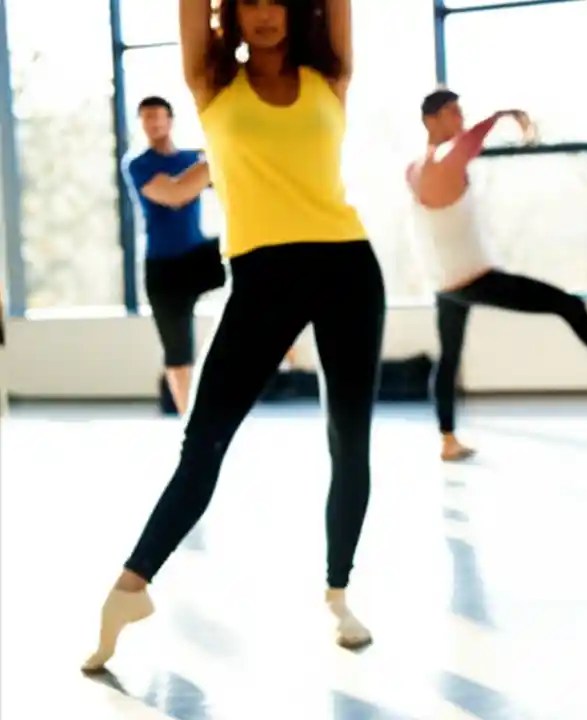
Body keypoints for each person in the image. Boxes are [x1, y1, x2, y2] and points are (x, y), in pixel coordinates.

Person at [83, 0, 385, 673]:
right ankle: (130, 587)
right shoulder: (209, 84)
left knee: (349, 440)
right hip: (260, 276)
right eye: (250, 0)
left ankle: (338, 594)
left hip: (346, 268)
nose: (267, 13)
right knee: (204, 443)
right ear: (230, 13)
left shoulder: (330, 77)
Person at [407, 89, 587, 462]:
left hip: (447, 285)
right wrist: (504, 112)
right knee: (568, 305)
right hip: (473, 280)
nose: (460, 118)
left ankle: (447, 440)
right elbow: (469, 143)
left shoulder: (417, 168)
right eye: (452, 112)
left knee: (448, 358)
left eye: (461, 111)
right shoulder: (439, 165)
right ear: (429, 119)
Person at [123, 95, 223, 417]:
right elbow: (174, 194)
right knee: (178, 351)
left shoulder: (194, 158)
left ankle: (282, 341)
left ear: (170, 120)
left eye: (158, 116)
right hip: (164, 269)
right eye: (146, 118)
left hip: (198, 256)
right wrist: (219, 158)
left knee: (254, 255)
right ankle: (187, 422)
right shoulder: (138, 165)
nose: (153, 123)